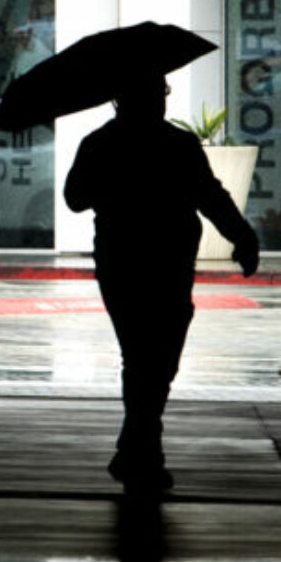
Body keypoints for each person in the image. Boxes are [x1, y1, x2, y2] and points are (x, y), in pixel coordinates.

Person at [65, 72, 260, 491]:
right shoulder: (178, 146)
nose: (162, 100)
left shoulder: (100, 143)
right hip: (168, 262)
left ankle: (135, 445)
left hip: (121, 262)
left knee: (139, 353)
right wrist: (242, 238)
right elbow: (212, 197)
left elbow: (75, 198)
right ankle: (143, 450)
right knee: (157, 355)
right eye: (158, 93)